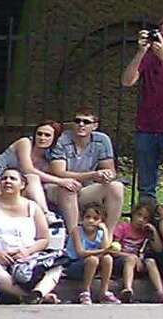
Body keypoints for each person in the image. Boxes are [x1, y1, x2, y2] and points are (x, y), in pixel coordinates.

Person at [46, 108, 126, 252]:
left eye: (86, 122)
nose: (81, 125)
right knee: (69, 185)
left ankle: (107, 237)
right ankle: (74, 240)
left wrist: (107, 176)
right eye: (77, 121)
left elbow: (111, 170)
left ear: (94, 125)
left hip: (84, 189)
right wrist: (92, 175)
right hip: (57, 187)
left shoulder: (102, 140)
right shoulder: (62, 140)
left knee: (116, 187)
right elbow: (59, 172)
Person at [0, 167, 64, 304]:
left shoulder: (33, 207)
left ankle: (39, 293)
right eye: (4, 178)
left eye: (12, 178)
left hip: (27, 256)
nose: (7, 181)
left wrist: (26, 252)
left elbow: (44, 239)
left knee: (56, 265)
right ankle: (27, 296)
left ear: (23, 185)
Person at [0, 121, 64, 210]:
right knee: (32, 179)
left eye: (47, 135)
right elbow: (28, 169)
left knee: (33, 184)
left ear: (55, 138)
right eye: (39, 134)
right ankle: (46, 214)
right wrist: (60, 181)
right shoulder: (25, 142)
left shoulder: (49, 158)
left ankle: (47, 216)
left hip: (18, 187)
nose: (42, 137)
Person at [122, 20, 163, 204]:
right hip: (147, 126)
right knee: (146, 185)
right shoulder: (148, 56)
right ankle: (146, 227)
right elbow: (127, 81)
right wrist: (141, 51)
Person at [63, 203, 117, 304]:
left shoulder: (100, 233)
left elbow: (106, 248)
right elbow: (80, 253)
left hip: (93, 267)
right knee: (93, 259)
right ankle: (85, 292)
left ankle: (104, 292)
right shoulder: (76, 231)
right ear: (82, 219)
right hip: (74, 265)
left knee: (107, 258)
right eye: (88, 217)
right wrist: (102, 251)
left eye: (95, 218)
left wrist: (105, 230)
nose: (91, 221)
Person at [112, 196, 163, 303]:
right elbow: (113, 250)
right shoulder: (123, 228)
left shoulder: (145, 232)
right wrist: (133, 258)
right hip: (121, 262)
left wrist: (153, 231)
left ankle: (160, 292)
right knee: (131, 258)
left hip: (139, 264)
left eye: (145, 218)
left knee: (151, 261)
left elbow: (158, 249)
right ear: (133, 214)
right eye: (139, 215)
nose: (141, 220)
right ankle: (128, 289)